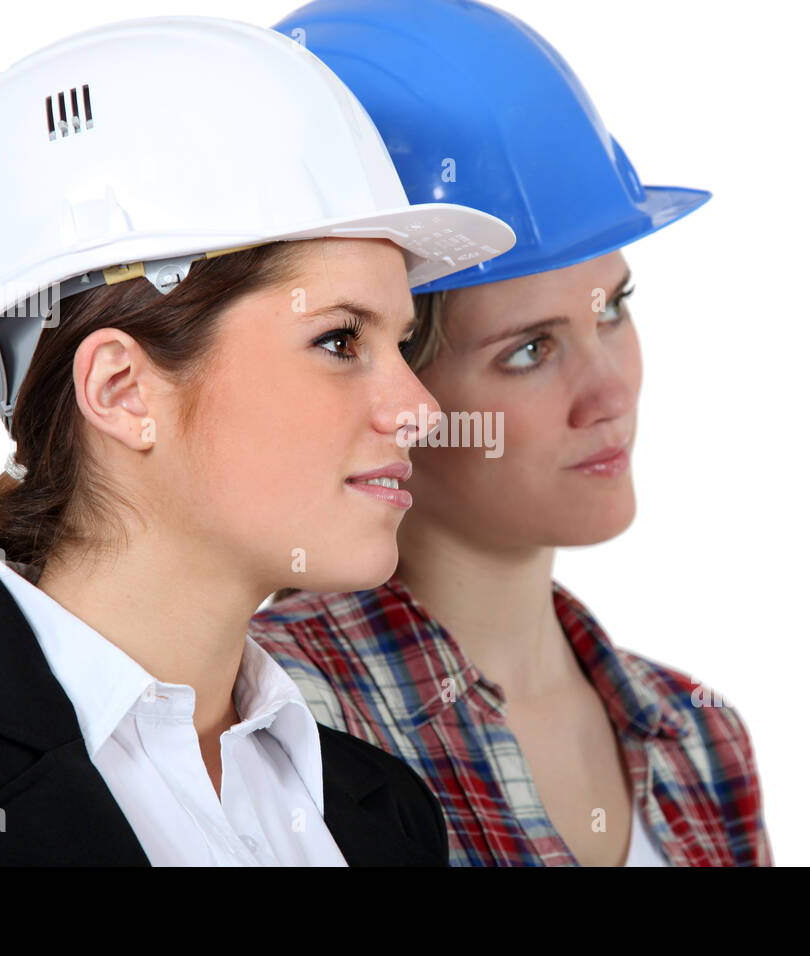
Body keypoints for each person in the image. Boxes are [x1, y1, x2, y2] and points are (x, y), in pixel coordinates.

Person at [0, 15, 515, 866]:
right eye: (339, 341)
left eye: (402, 343)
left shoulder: (384, 810)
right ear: (121, 390)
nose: (419, 409)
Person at [251, 0, 773, 866]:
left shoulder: (698, 742)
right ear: (383, 382)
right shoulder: (276, 721)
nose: (609, 390)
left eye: (614, 310)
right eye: (529, 350)